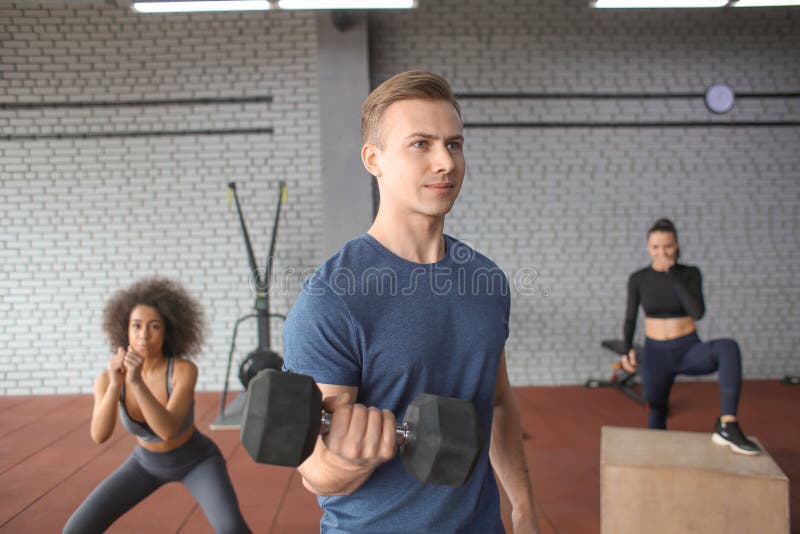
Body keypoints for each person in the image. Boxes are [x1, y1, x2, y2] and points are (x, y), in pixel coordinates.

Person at [282, 70, 539, 533]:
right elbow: (314, 470)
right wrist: (352, 459)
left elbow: (496, 403)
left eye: (454, 144)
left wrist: (521, 508)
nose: (445, 162)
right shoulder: (333, 297)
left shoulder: (487, 281)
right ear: (373, 159)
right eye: (420, 144)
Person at [64, 277, 251, 534]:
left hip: (197, 460)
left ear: (167, 332)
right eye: (136, 326)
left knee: (232, 530)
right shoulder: (108, 378)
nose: (144, 335)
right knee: (75, 530)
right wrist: (116, 384)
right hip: (145, 464)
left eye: (154, 327)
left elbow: (167, 430)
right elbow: (99, 435)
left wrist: (137, 382)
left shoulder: (183, 370)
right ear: (125, 330)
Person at [619, 218, 760, 455]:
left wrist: (672, 273)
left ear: (676, 246)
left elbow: (698, 312)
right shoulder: (638, 278)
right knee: (656, 408)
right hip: (656, 353)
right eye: (655, 247)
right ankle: (657, 460)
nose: (661, 252)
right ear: (648, 248)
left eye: (668, 246)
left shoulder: (689, 273)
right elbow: (630, 318)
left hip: (687, 350)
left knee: (728, 347)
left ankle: (728, 425)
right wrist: (626, 350)